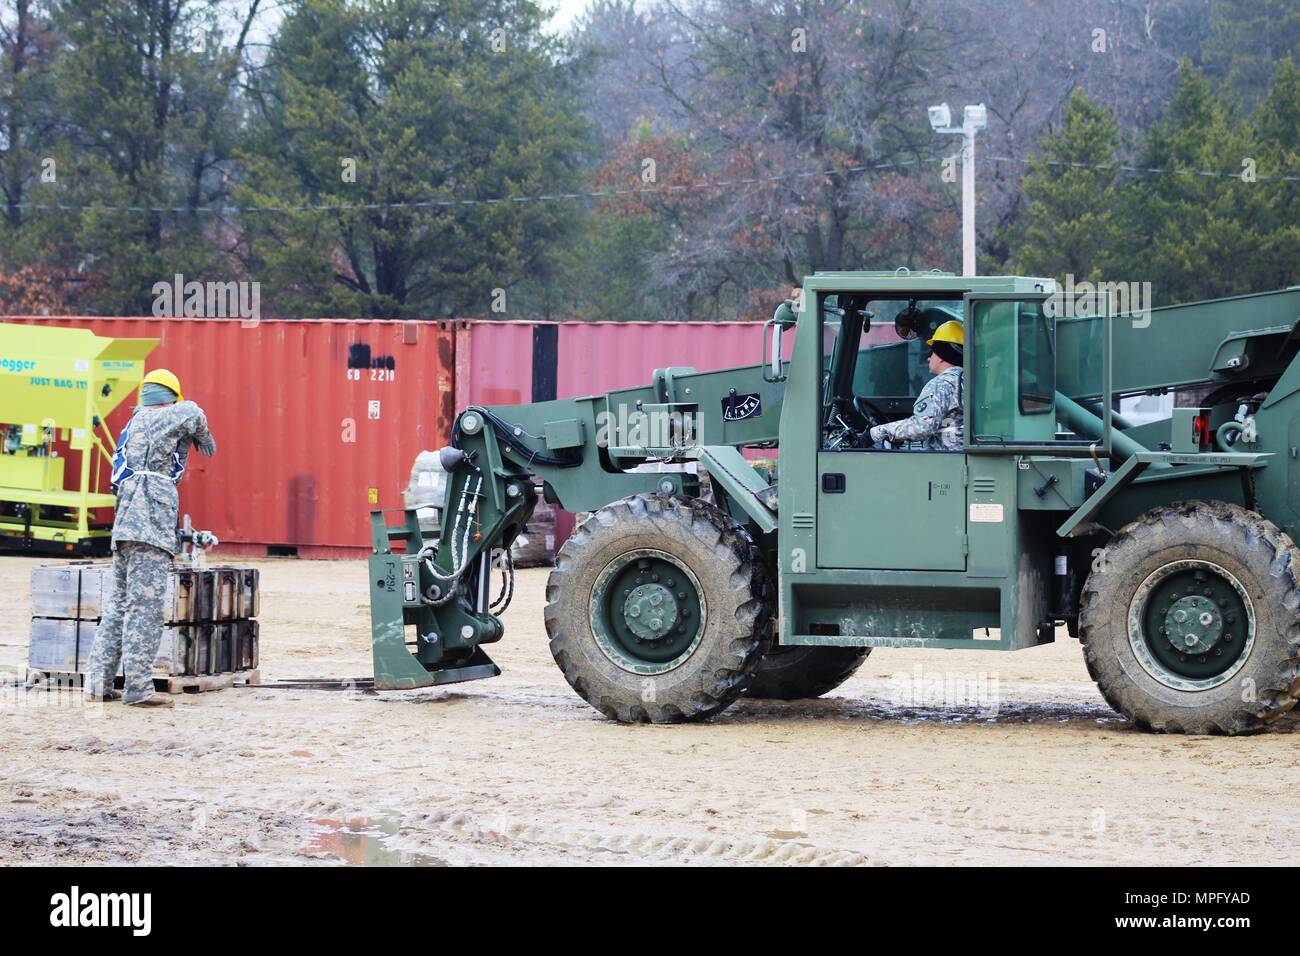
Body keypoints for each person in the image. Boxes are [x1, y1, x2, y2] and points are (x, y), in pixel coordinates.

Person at [85, 369, 216, 707]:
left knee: (118, 605)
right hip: (148, 524)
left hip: (126, 523)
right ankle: (139, 688)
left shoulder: (134, 424)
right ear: (168, 398)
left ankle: (99, 683)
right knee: (146, 607)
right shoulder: (160, 417)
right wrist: (202, 434)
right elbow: (193, 412)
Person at [869, 320, 964, 451]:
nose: (929, 358)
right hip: (959, 458)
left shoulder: (941, 384)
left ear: (942, 356)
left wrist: (876, 432)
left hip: (944, 464)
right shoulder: (966, 380)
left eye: (932, 351)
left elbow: (921, 427)